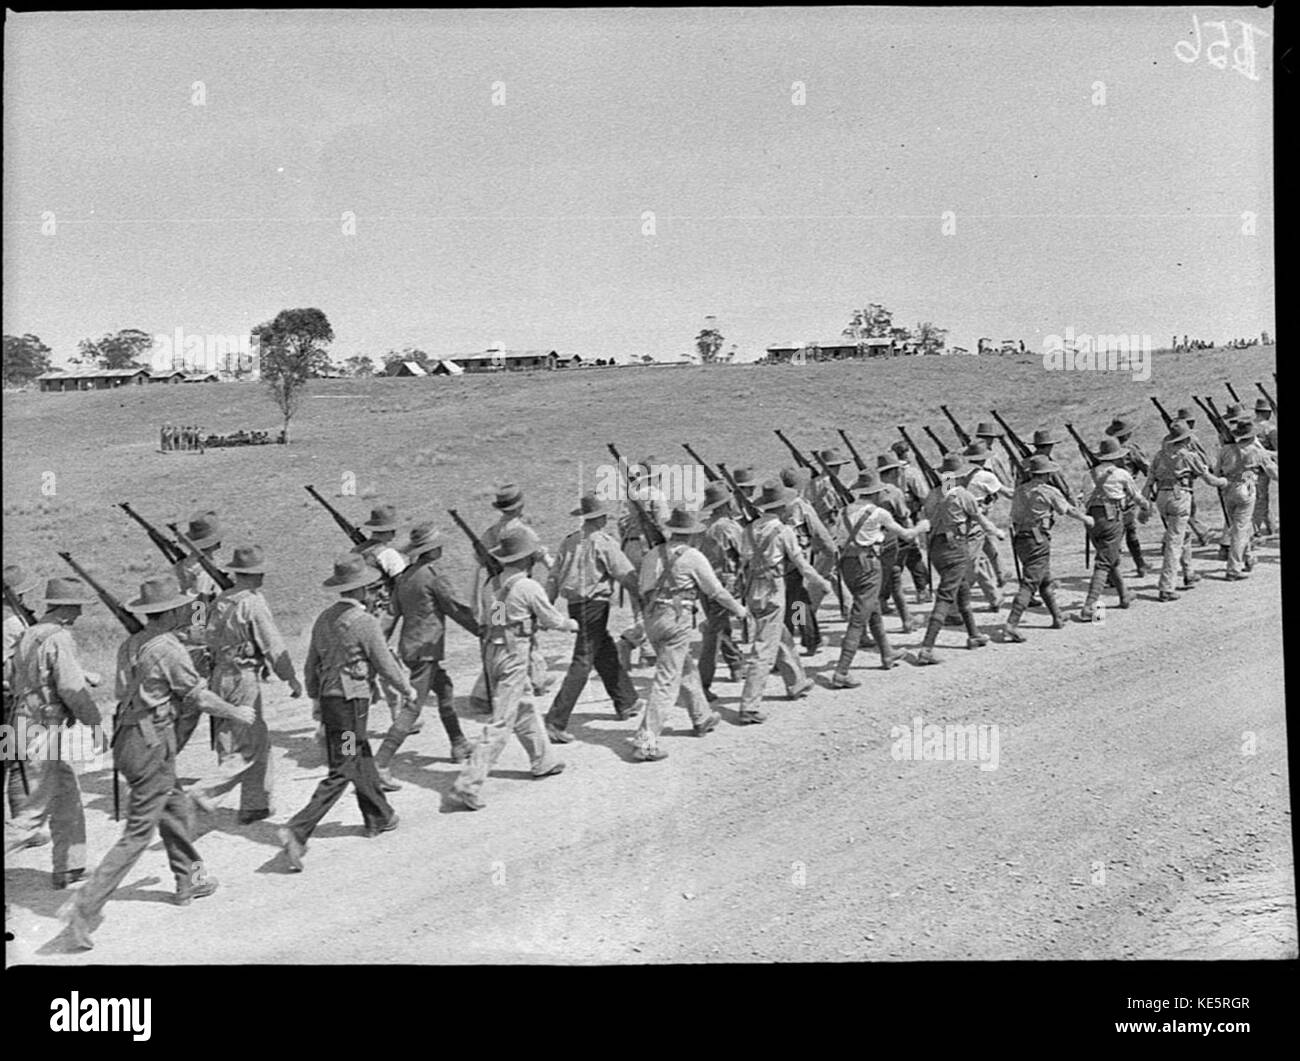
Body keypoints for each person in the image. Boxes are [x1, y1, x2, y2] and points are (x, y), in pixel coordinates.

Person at [58, 575, 255, 950]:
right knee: (138, 834)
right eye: (181, 608)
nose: (185, 611)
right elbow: (198, 697)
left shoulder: (133, 644)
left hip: (132, 740)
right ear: (172, 613)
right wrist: (236, 712)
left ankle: (191, 878)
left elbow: (122, 690)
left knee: (175, 807)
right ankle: (83, 907)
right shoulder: (168, 648)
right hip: (151, 744)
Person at [277, 556, 417, 871]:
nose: (375, 592)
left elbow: (311, 664)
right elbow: (384, 662)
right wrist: (407, 689)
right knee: (344, 766)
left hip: (331, 702)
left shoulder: (324, 618)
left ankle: (379, 816)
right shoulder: (364, 622)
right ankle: (298, 829)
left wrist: (315, 698)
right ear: (363, 589)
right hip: (351, 703)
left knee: (359, 753)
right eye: (372, 587)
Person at [449, 526, 572, 810]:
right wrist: (570, 624)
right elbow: (552, 619)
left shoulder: (493, 585)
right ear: (527, 558)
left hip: (494, 652)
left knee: (524, 706)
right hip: (514, 654)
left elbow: (495, 620)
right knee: (502, 722)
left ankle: (544, 760)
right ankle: (469, 782)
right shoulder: (527, 586)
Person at [189, 545, 302, 822]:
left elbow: (198, 631)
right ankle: (202, 792)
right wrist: (289, 677)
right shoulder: (252, 602)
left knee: (246, 739)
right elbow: (272, 643)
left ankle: (255, 805)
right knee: (249, 745)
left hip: (219, 675)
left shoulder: (221, 600)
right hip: (242, 677)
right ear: (253, 574)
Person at [629, 507, 749, 762]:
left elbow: (641, 588)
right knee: (666, 682)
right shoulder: (693, 556)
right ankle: (646, 741)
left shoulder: (652, 554)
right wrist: (739, 609)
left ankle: (701, 716)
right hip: (676, 619)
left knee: (684, 667)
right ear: (692, 534)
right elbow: (715, 591)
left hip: (652, 618)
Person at [8, 578, 103, 889]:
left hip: (23, 724)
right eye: (76, 607)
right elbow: (71, 689)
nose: (79, 614)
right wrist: (95, 724)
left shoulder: (29, 633)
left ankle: (70, 865)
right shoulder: (59, 638)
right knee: (31, 814)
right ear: (64, 608)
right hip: (40, 729)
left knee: (67, 795)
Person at [374, 523, 479, 785]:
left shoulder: (406, 577)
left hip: (410, 650)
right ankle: (380, 762)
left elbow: (390, 615)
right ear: (431, 550)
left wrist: (376, 644)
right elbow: (456, 609)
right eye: (438, 545)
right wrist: (483, 632)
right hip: (426, 651)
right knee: (413, 706)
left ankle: (459, 743)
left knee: (444, 689)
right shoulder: (433, 576)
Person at [543, 494, 642, 743]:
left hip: (575, 606)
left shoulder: (569, 542)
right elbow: (626, 574)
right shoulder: (603, 542)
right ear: (600, 518)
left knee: (604, 649)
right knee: (583, 660)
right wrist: (644, 597)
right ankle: (555, 721)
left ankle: (626, 700)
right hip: (595, 605)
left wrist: (547, 607)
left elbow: (553, 577)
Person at [735, 482, 832, 721]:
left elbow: (743, 561)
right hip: (775, 588)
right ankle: (749, 705)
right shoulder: (784, 530)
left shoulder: (748, 530)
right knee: (764, 649)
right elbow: (802, 563)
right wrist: (822, 581)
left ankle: (796, 681)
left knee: (781, 634)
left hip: (753, 588)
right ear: (781, 507)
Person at [828, 471, 929, 686]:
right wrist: (922, 526)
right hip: (868, 564)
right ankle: (842, 671)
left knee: (871, 608)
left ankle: (887, 653)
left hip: (847, 564)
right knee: (859, 617)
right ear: (876, 493)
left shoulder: (843, 511)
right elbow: (906, 535)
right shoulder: (878, 513)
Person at [914, 453, 1006, 665]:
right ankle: (927, 648)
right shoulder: (963, 495)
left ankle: (974, 634)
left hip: (936, 548)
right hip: (955, 547)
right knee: (946, 596)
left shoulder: (934, 494)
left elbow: (926, 519)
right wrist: (997, 532)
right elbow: (980, 519)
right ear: (960, 475)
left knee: (962, 588)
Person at [469, 484, 554, 709]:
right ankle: (489, 691)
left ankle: (534, 680)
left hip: (496, 591)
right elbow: (541, 554)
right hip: (518, 589)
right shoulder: (523, 532)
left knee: (500, 631)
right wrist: (554, 573)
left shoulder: (491, 532)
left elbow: (478, 561)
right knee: (521, 633)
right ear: (520, 507)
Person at [1002, 455, 1093, 640]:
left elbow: (1010, 510)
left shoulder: (1019, 490)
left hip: (1019, 537)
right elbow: (1067, 509)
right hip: (1035, 538)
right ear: (1046, 474)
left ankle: (1057, 616)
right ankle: (1011, 624)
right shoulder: (1047, 491)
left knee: (1043, 578)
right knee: (1030, 582)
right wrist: (1085, 518)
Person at [1144, 421, 1228, 601]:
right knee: (1174, 542)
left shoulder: (1159, 455)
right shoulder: (1189, 456)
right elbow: (1209, 480)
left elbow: (1149, 483)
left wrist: (1145, 506)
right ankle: (1167, 587)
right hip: (1179, 497)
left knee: (1184, 535)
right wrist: (1224, 482)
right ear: (1186, 439)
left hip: (1162, 497)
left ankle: (1188, 573)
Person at [1075, 437, 1153, 621]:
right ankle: (1090, 606)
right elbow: (1136, 496)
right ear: (1117, 457)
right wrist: (1146, 506)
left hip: (1092, 520)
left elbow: (1084, 498)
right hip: (1112, 519)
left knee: (1111, 557)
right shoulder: (1121, 474)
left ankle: (1124, 595)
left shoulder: (1088, 475)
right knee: (1104, 562)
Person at [352, 503, 409, 730]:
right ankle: (400, 715)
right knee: (384, 660)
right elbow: (403, 583)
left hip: (356, 615)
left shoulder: (356, 552)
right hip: (381, 615)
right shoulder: (388, 554)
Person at [696, 480, 746, 700]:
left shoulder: (702, 527)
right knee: (714, 633)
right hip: (725, 583)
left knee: (719, 626)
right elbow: (746, 553)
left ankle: (736, 665)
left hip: (704, 583)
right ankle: (702, 683)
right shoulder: (729, 527)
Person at [781, 466, 836, 654]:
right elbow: (818, 530)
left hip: (779, 559)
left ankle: (808, 639)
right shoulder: (800, 504)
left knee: (797, 598)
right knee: (796, 601)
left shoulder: (777, 503)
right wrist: (832, 550)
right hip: (796, 558)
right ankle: (797, 642)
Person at [1215, 420, 1279, 581]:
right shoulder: (1256, 451)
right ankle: (1234, 568)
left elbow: (1217, 472)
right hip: (1247, 484)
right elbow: (1273, 473)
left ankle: (1248, 556)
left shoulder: (1225, 450)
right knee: (1241, 528)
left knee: (1238, 525)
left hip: (1227, 488)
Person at [1104, 418, 1150, 578]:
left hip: (1108, 496)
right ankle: (1133, 567)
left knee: (1119, 534)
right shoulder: (1131, 449)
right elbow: (1146, 467)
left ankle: (1134, 566)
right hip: (1127, 495)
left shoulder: (1106, 450)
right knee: (1127, 532)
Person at [889, 440, 933, 602]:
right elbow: (925, 496)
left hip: (887, 520)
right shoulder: (911, 473)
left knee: (903, 553)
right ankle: (921, 589)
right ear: (906, 453)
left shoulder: (885, 473)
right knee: (908, 553)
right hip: (907, 518)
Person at [1252, 397, 1278, 536]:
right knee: (1261, 499)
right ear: (1268, 413)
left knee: (1255, 497)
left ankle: (1271, 528)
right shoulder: (1270, 429)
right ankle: (1253, 531)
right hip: (1262, 471)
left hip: (1247, 471)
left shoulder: (1247, 426)